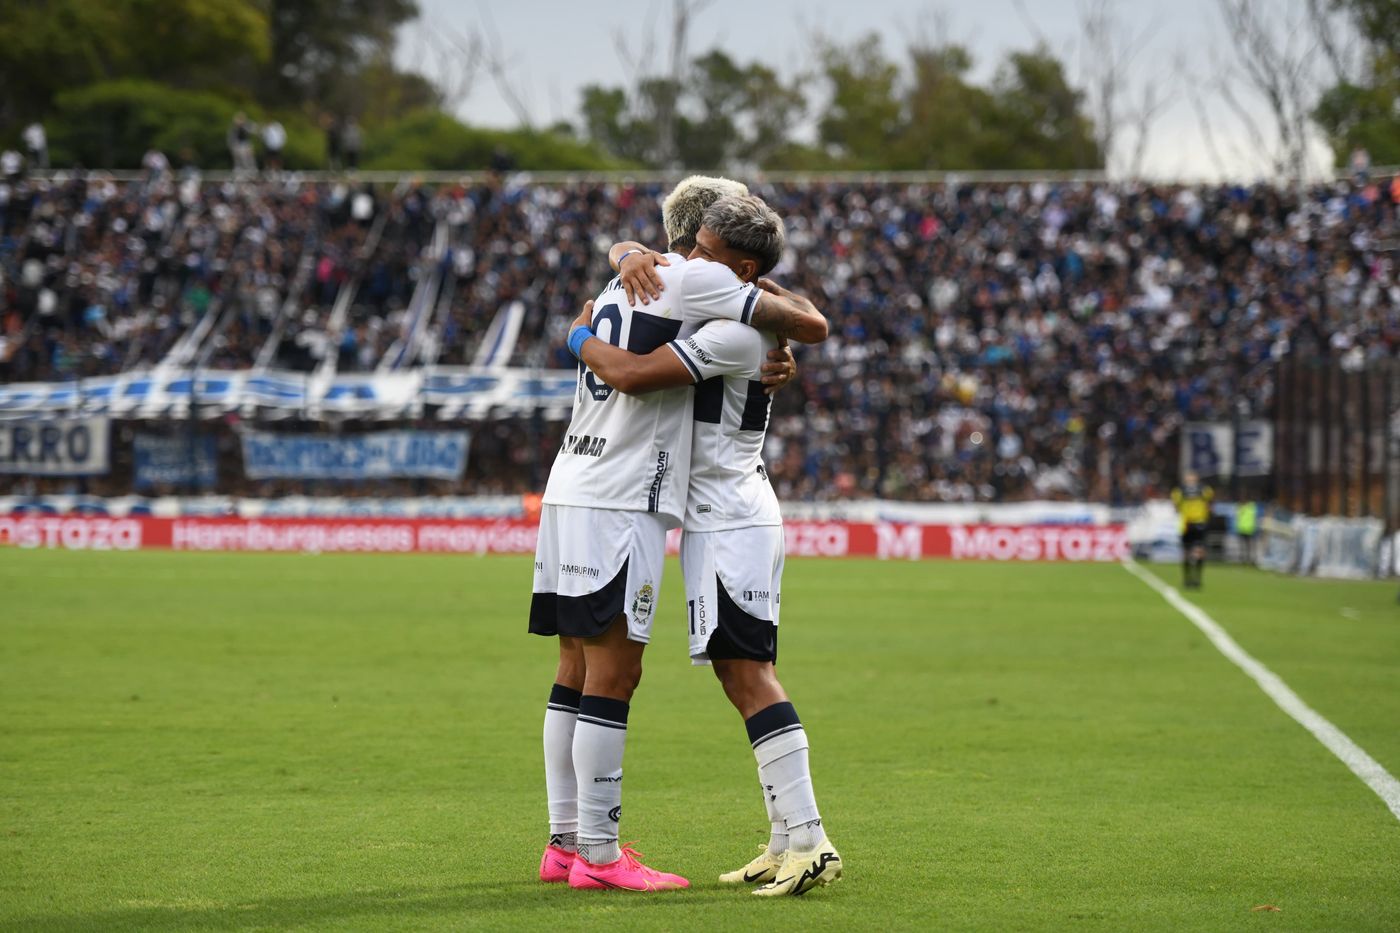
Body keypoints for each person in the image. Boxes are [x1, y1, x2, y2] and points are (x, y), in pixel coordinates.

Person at [531, 181, 824, 894]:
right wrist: (774, 342)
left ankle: (567, 841)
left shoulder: (624, 282)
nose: (696, 257)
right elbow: (637, 373)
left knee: (578, 667)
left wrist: (584, 317)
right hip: (626, 499)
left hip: (576, 482)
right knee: (614, 674)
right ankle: (597, 854)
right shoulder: (698, 288)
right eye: (698, 246)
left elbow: (793, 324)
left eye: (708, 251)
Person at [1172, 471, 1213, 589]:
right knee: (1196, 551)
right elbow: (1209, 503)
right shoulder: (1204, 489)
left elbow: (1176, 506)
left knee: (1188, 551)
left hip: (1187, 524)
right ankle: (1195, 579)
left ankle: (1189, 579)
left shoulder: (1179, 490)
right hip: (1198, 523)